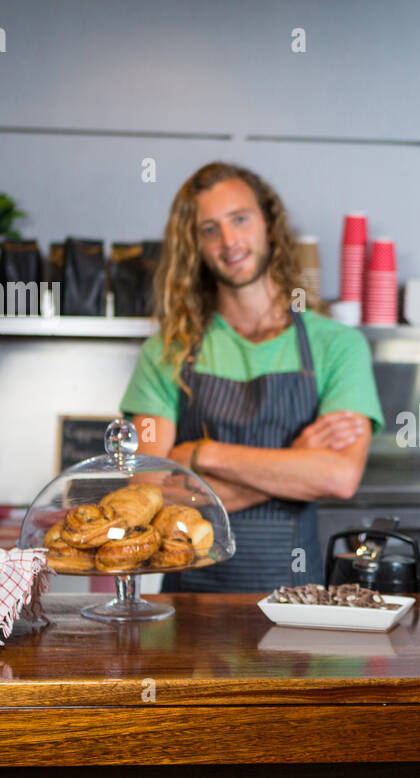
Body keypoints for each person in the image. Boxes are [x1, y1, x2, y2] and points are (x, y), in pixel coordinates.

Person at [121, 162, 384, 592]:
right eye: (209, 229)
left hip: (297, 606)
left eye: (240, 219)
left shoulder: (338, 345)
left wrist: (202, 455)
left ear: (270, 225)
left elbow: (337, 477)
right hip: (191, 607)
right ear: (195, 246)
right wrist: (294, 464)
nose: (229, 241)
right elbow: (147, 496)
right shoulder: (166, 351)